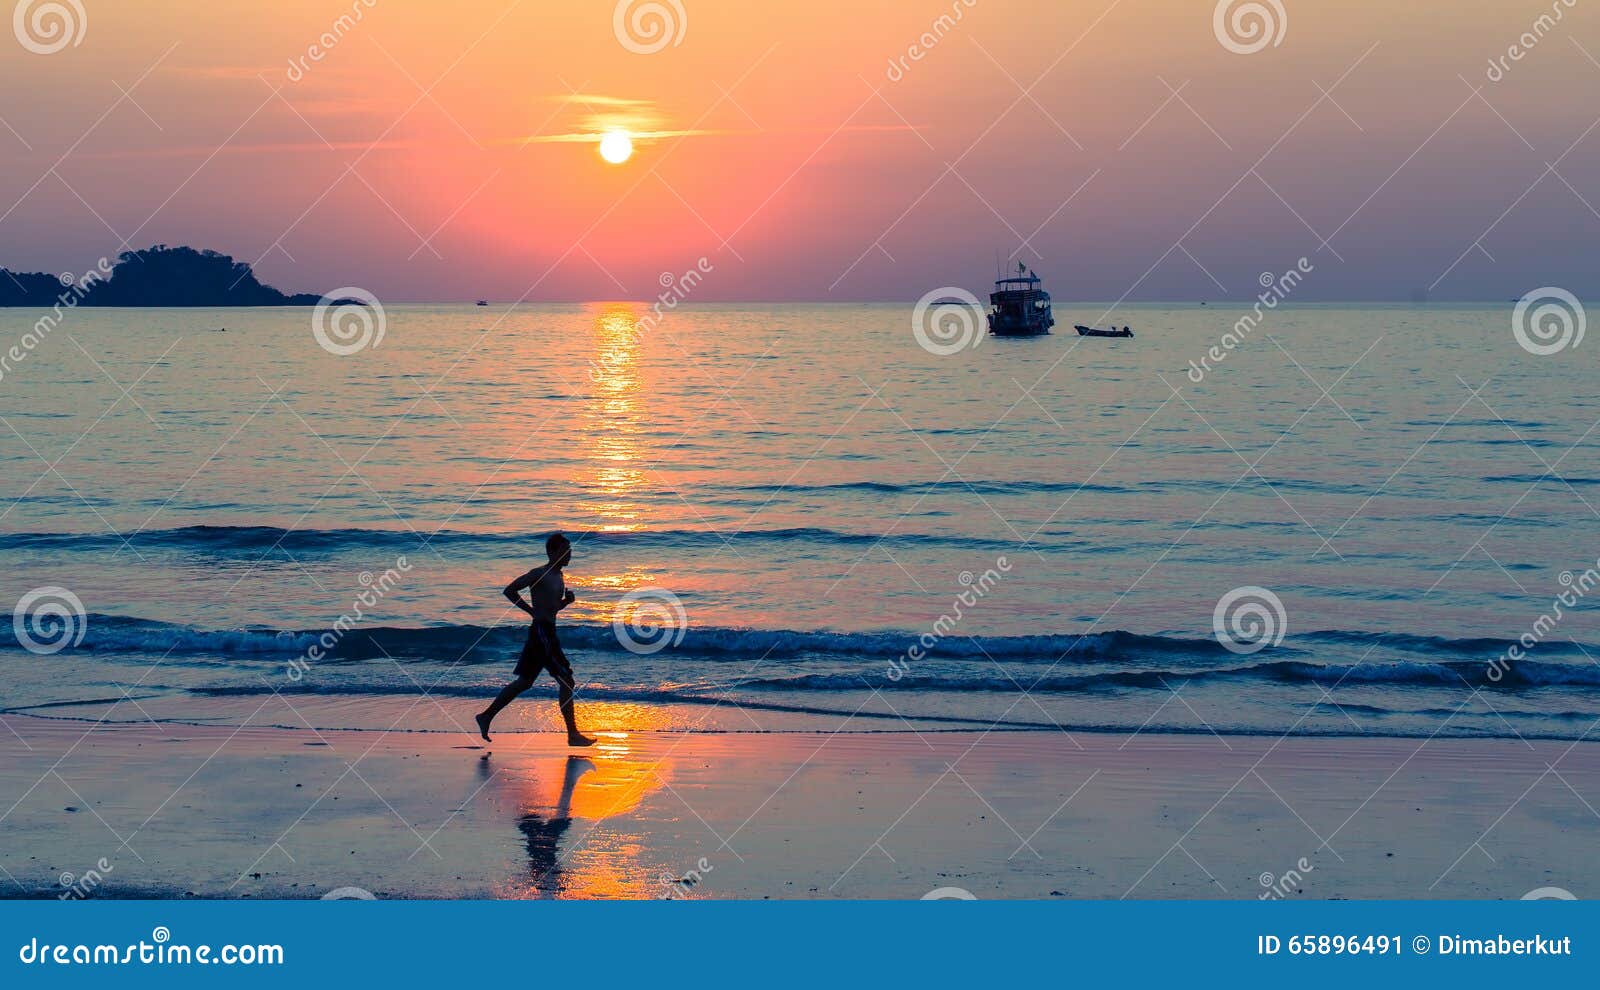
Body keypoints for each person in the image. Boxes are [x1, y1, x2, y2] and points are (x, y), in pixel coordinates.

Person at [475, 533, 595, 746]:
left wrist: (566, 602)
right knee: (566, 679)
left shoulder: (559, 577)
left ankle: (486, 716)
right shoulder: (540, 573)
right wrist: (530, 611)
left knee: (525, 682)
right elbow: (510, 590)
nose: (569, 555)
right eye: (565, 551)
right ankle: (573, 735)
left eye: (570, 551)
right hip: (542, 632)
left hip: (545, 631)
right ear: (553, 552)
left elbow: (551, 608)